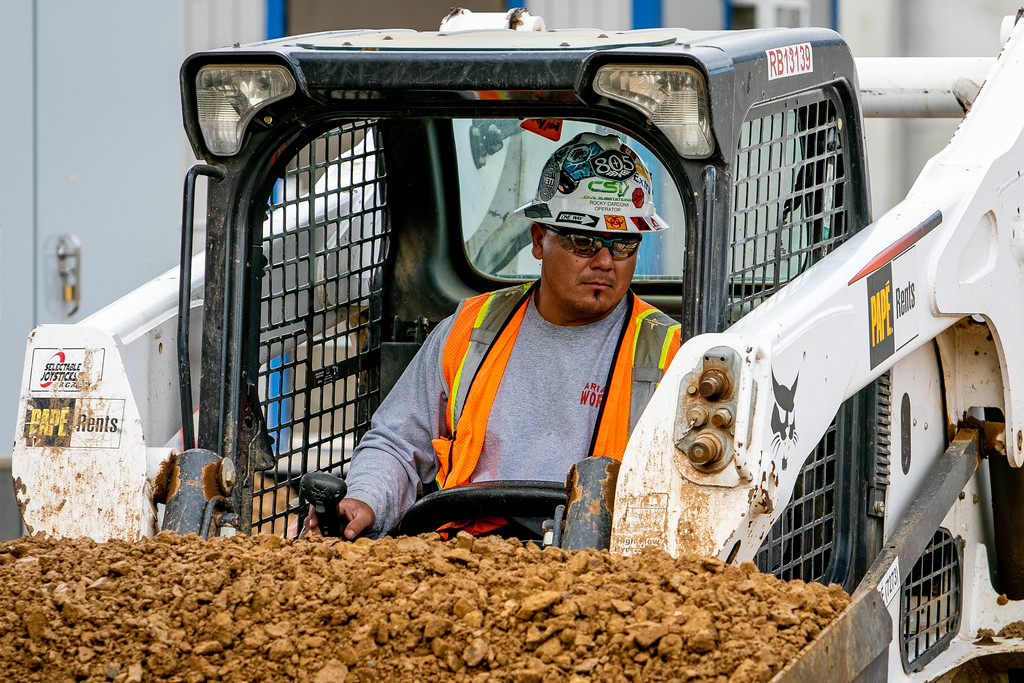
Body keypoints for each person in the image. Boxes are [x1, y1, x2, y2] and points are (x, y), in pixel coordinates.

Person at [303, 132, 681, 540]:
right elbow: (398, 442)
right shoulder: (471, 330)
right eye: (584, 241)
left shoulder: (670, 356)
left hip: (599, 572)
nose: (606, 261)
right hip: (464, 558)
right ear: (539, 239)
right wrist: (366, 499)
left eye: (623, 243)